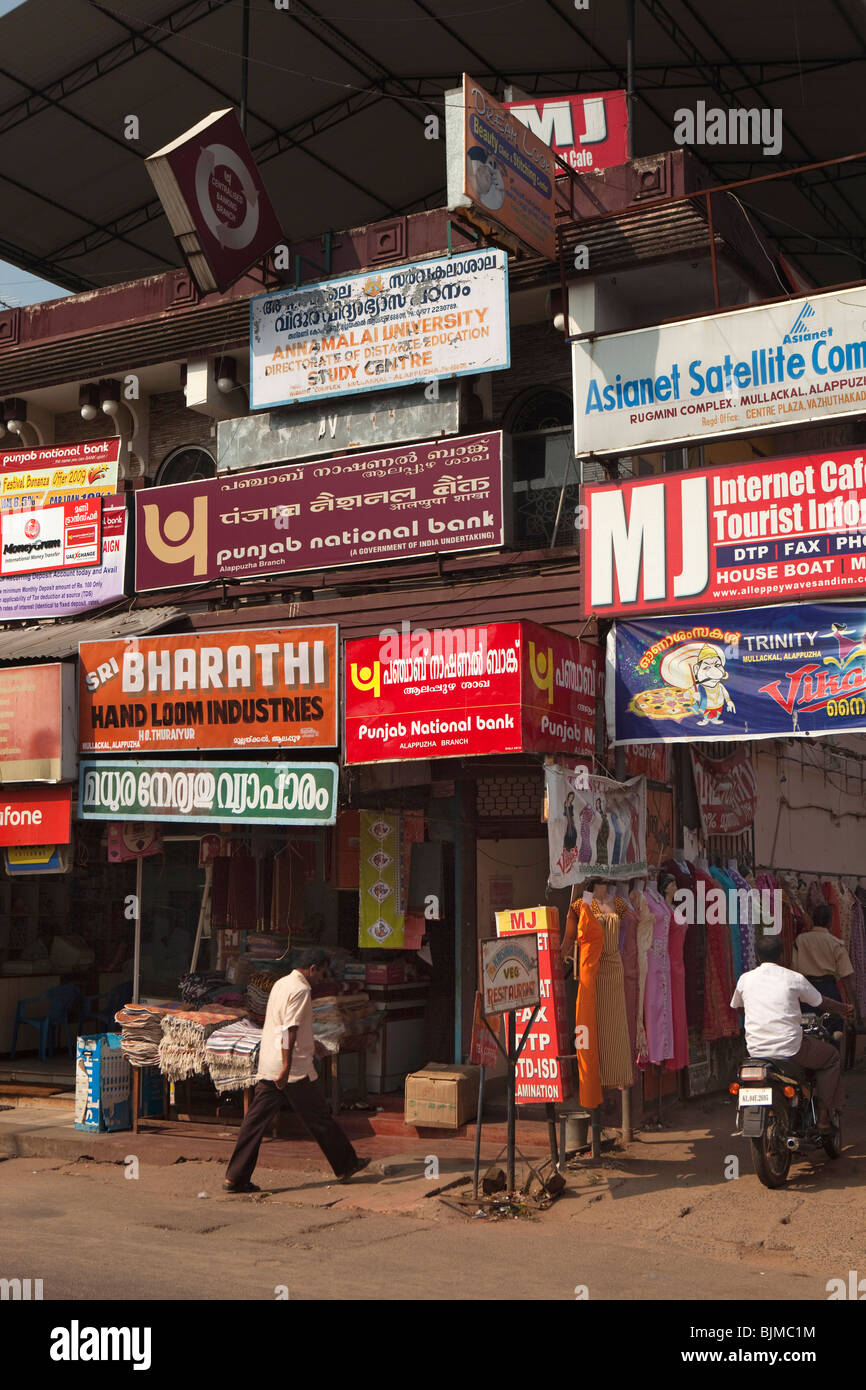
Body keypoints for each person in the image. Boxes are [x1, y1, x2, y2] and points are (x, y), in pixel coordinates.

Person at [224, 949, 369, 1192]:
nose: (322, 979)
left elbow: (289, 1026)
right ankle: (346, 1164)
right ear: (313, 968)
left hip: (272, 1064)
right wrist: (286, 1067)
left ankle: (235, 1177)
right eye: (321, 973)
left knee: (255, 1122)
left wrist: (313, 1044)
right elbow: (288, 1030)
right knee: (319, 1118)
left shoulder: (282, 984)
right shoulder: (301, 990)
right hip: (290, 1070)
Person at [730, 934, 852, 1133]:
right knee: (831, 1057)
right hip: (790, 1049)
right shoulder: (793, 978)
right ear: (782, 955)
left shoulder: (745, 979)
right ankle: (823, 1119)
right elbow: (821, 1002)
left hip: (756, 1051)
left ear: (757, 956)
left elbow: (738, 1007)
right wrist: (845, 1009)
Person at [792, 903, 855, 1043]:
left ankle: (811, 1063)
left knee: (807, 1033)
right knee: (834, 1032)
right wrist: (851, 1006)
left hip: (806, 991)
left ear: (813, 920)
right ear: (830, 921)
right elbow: (846, 976)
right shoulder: (835, 943)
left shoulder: (800, 941)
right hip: (829, 991)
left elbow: (794, 971)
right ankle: (831, 1061)